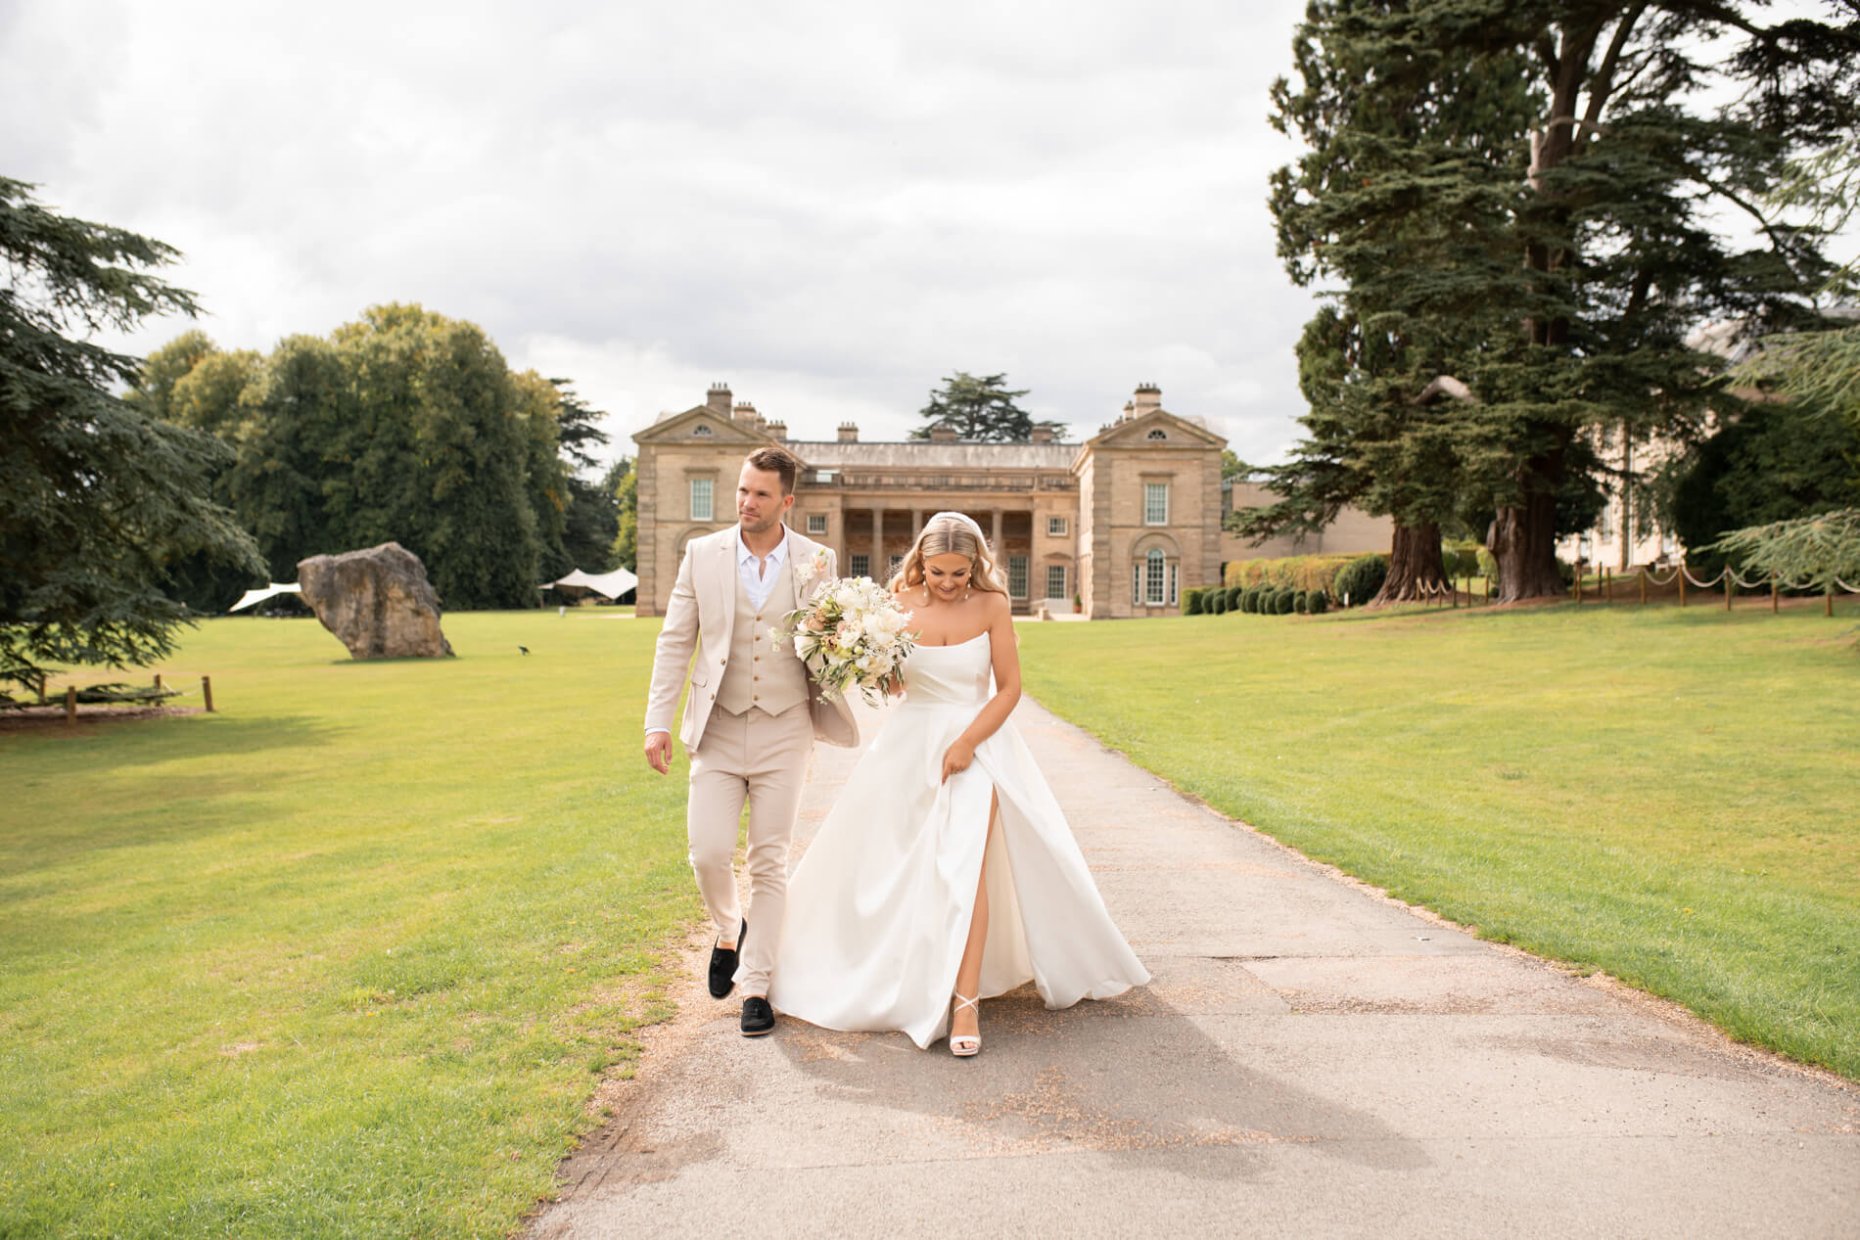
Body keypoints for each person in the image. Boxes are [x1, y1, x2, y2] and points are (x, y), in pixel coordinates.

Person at [768, 512, 1148, 1054]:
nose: (948, 584)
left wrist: (968, 742)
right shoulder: (895, 605)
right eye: (938, 572)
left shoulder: (993, 605)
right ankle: (905, 972)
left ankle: (965, 1002)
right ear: (920, 563)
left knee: (964, 868)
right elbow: (898, 686)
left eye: (960, 573)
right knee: (897, 868)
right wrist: (865, 658)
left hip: (980, 745)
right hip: (908, 748)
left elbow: (1009, 689)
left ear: (977, 566)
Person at [642, 446, 858, 1037]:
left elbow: (830, 641)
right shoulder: (701, 554)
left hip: (785, 725)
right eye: (742, 490)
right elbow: (675, 642)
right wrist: (656, 721)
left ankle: (757, 986)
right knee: (707, 852)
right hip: (717, 724)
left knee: (769, 860)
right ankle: (725, 929)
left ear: (787, 501)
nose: (746, 502)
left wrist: (861, 656)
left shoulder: (817, 560)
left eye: (760, 494)